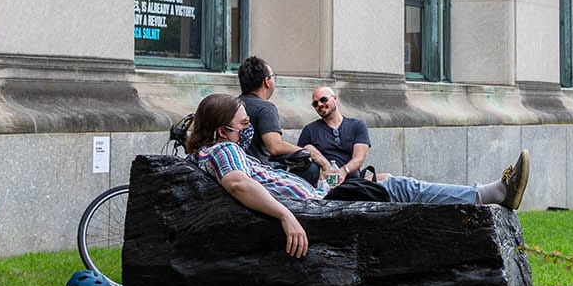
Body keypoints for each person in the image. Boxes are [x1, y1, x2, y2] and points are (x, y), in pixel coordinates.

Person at [185, 94, 531, 258]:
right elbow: (238, 183)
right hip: (316, 208)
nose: (249, 131)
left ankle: (485, 193)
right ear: (221, 130)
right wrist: (286, 215)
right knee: (394, 185)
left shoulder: (214, 151)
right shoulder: (224, 150)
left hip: (320, 195)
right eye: (244, 125)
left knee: (387, 181)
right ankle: (489, 194)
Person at [237, 55, 319, 184]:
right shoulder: (266, 108)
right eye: (273, 76)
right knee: (312, 169)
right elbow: (275, 146)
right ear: (267, 81)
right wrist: (310, 153)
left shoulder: (234, 104)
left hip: (237, 169)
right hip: (260, 173)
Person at [297, 85, 370, 183]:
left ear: (335, 98)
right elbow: (299, 159)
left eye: (323, 100)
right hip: (322, 182)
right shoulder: (309, 130)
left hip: (351, 181)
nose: (319, 104)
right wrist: (324, 165)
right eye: (315, 103)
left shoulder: (357, 125)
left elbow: (358, 158)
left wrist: (343, 171)